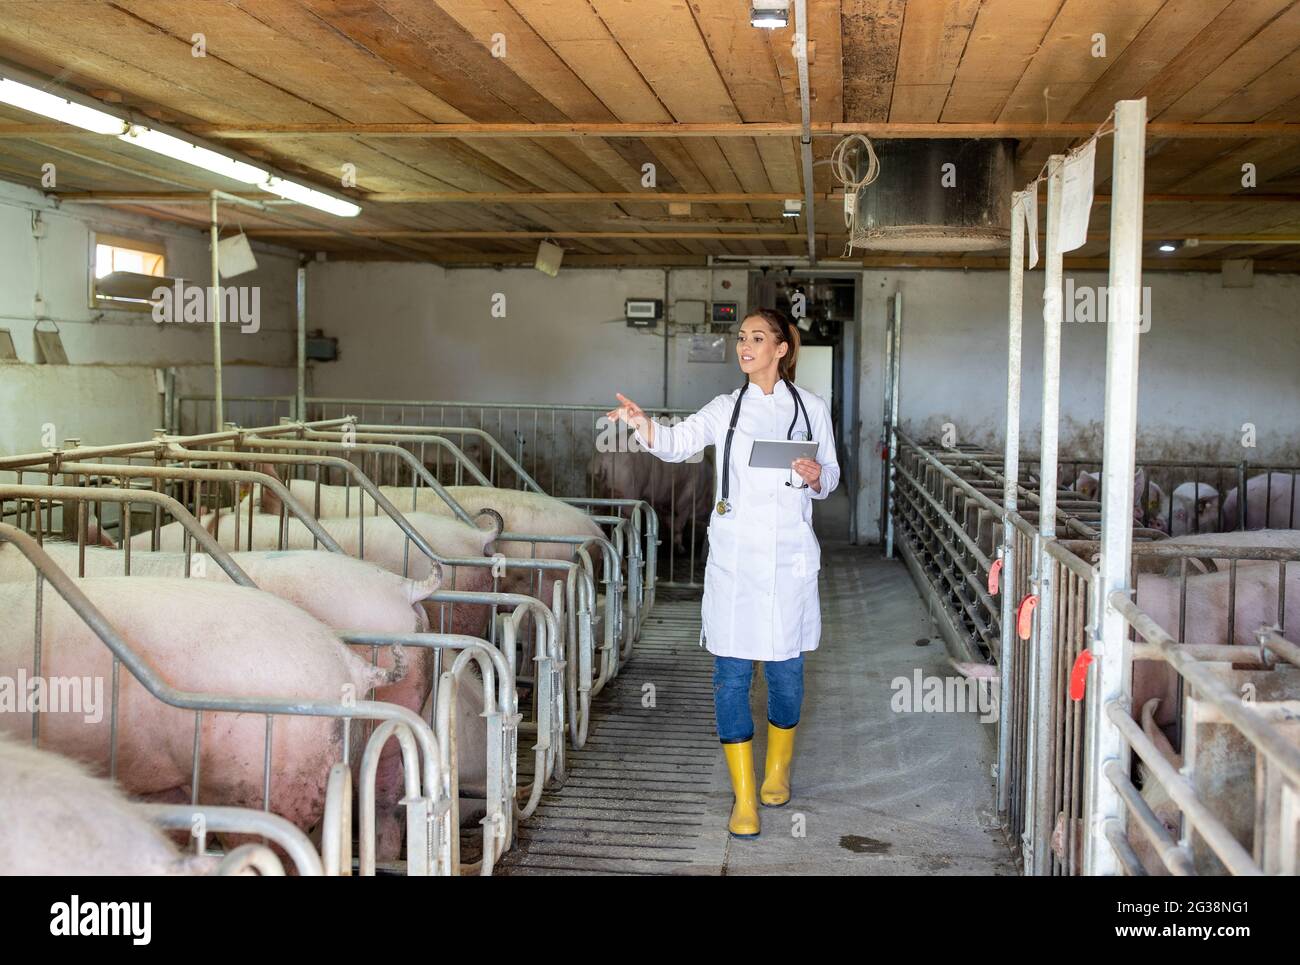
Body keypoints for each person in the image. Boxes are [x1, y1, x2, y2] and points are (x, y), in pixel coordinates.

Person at [606, 307, 839, 838]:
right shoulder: (725, 408)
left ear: (782, 349)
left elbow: (831, 474)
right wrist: (643, 424)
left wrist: (816, 475)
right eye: (741, 338)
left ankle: (776, 770)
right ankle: (743, 797)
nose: (744, 346)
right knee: (730, 676)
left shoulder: (812, 410)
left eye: (757, 338)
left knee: (785, 673)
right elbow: (675, 443)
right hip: (736, 558)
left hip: (786, 557)